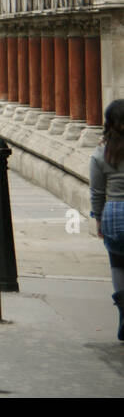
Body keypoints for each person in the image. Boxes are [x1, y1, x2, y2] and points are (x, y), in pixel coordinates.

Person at [90, 100, 124, 341]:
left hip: (113, 211)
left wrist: (99, 218)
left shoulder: (101, 152)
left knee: (117, 263)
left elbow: (96, 191)